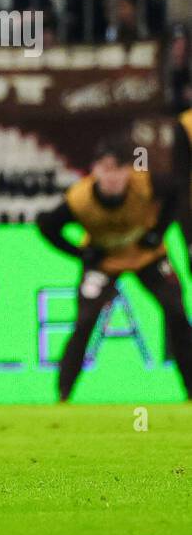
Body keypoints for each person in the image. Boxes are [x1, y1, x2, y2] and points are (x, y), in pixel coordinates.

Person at [37, 137, 192, 402]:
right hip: (105, 262)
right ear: (95, 170)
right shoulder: (80, 199)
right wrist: (81, 253)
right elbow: (46, 225)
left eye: (118, 169)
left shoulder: (145, 184)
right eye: (105, 169)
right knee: (85, 320)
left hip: (147, 257)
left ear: (127, 170)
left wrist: (157, 232)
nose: (112, 177)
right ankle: (63, 395)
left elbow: (176, 191)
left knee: (177, 312)